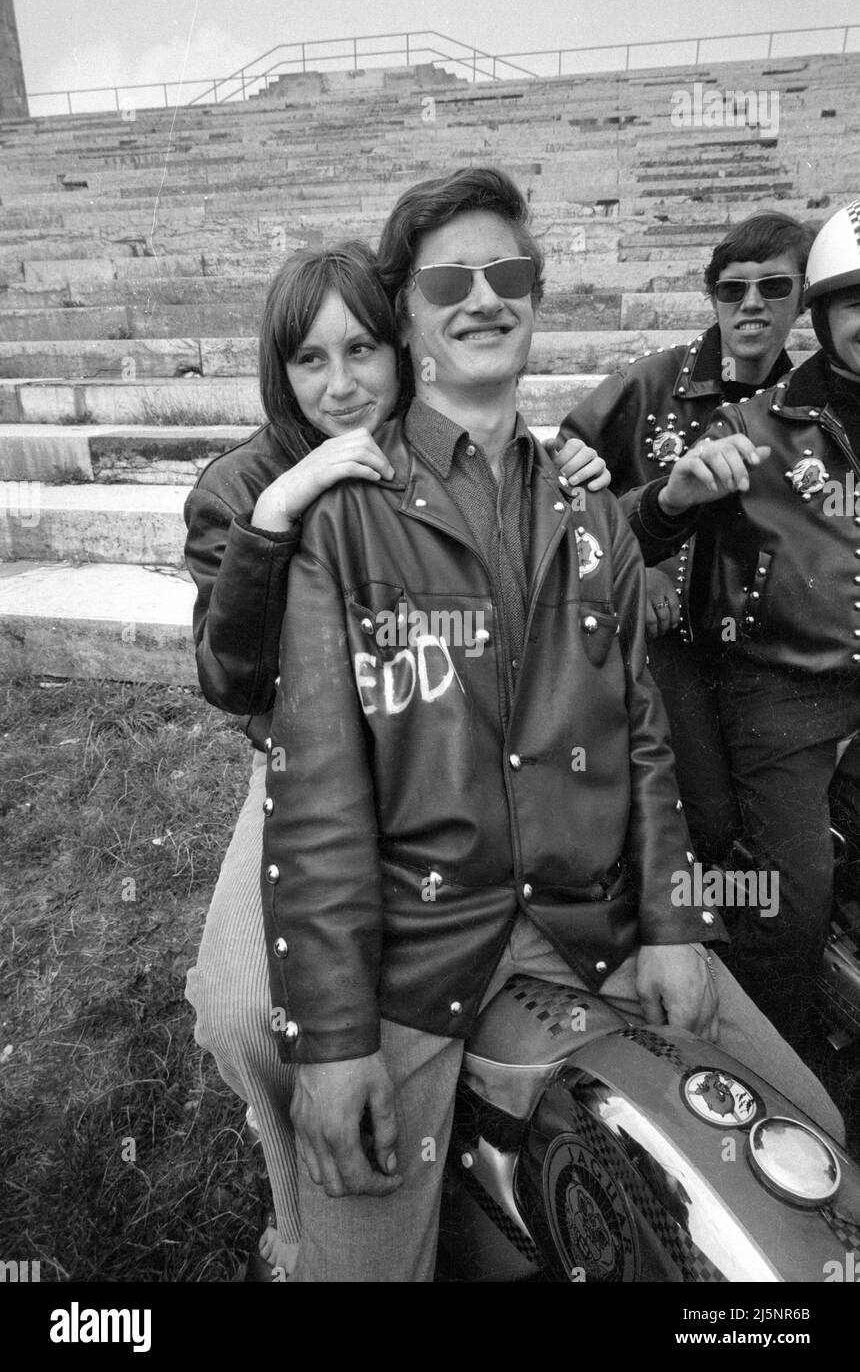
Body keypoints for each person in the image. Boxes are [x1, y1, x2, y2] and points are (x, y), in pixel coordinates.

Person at [260, 167, 842, 1283]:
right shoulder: (344, 516)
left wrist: (674, 923)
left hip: (600, 925)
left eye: (508, 272)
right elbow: (317, 798)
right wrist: (332, 1047)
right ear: (407, 313)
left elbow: (641, 734)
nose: (483, 297)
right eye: (449, 280)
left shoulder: (586, 506)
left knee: (810, 1156)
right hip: (418, 962)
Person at [182, 241, 608, 1278]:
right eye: (308, 360)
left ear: (397, 348)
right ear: (275, 373)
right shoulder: (237, 484)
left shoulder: (445, 446)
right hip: (305, 774)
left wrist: (578, 479)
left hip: (450, 762)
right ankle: (296, 1213)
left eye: (361, 349)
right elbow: (234, 678)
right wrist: (278, 514)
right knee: (242, 1012)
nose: (340, 385)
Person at [637, 200, 860, 1054]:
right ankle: (775, 1066)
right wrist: (668, 501)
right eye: (855, 304)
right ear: (826, 312)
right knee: (789, 898)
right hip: (784, 688)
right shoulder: (751, 428)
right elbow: (616, 535)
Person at [554, 213, 814, 865]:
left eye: (774, 287)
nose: (752, 304)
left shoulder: (807, 408)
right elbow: (561, 482)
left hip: (762, 645)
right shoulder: (651, 383)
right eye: (732, 290)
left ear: (804, 296)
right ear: (714, 299)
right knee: (711, 816)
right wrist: (632, 566)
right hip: (664, 638)